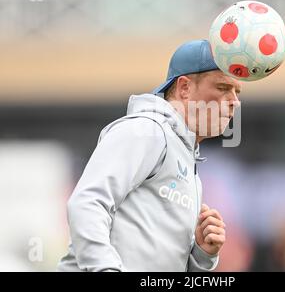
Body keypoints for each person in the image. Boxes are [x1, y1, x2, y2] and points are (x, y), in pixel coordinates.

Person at [57, 39, 241, 272]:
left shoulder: (186, 159)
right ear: (184, 88)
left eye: (237, 91)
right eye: (223, 88)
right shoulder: (147, 130)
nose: (235, 101)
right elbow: (86, 203)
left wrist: (202, 253)